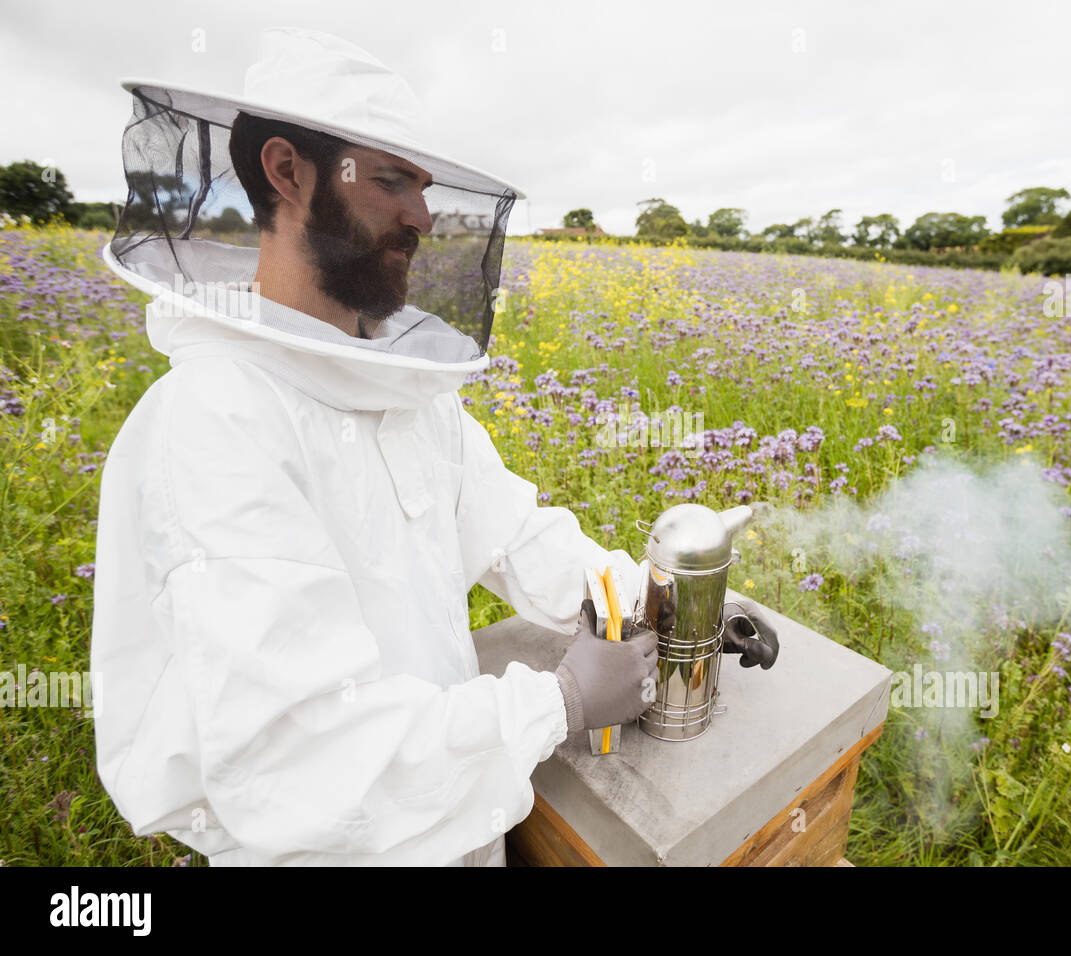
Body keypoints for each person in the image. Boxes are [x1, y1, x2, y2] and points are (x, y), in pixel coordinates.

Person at [90, 27, 659, 867]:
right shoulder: (213, 423)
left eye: (424, 188)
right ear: (288, 172)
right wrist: (561, 703)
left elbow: (518, 535)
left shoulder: (403, 396)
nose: (423, 218)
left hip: (454, 824)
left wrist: (666, 603)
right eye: (393, 181)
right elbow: (303, 758)